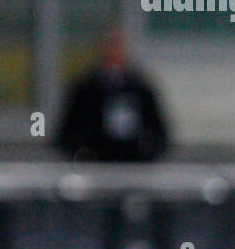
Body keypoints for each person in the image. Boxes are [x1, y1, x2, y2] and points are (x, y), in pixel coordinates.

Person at [56, 28, 170, 162]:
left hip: (134, 166)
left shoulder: (140, 89)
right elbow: (67, 133)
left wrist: (146, 151)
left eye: (117, 45)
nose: (113, 50)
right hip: (95, 167)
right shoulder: (84, 89)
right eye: (109, 44)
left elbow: (159, 132)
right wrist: (83, 153)